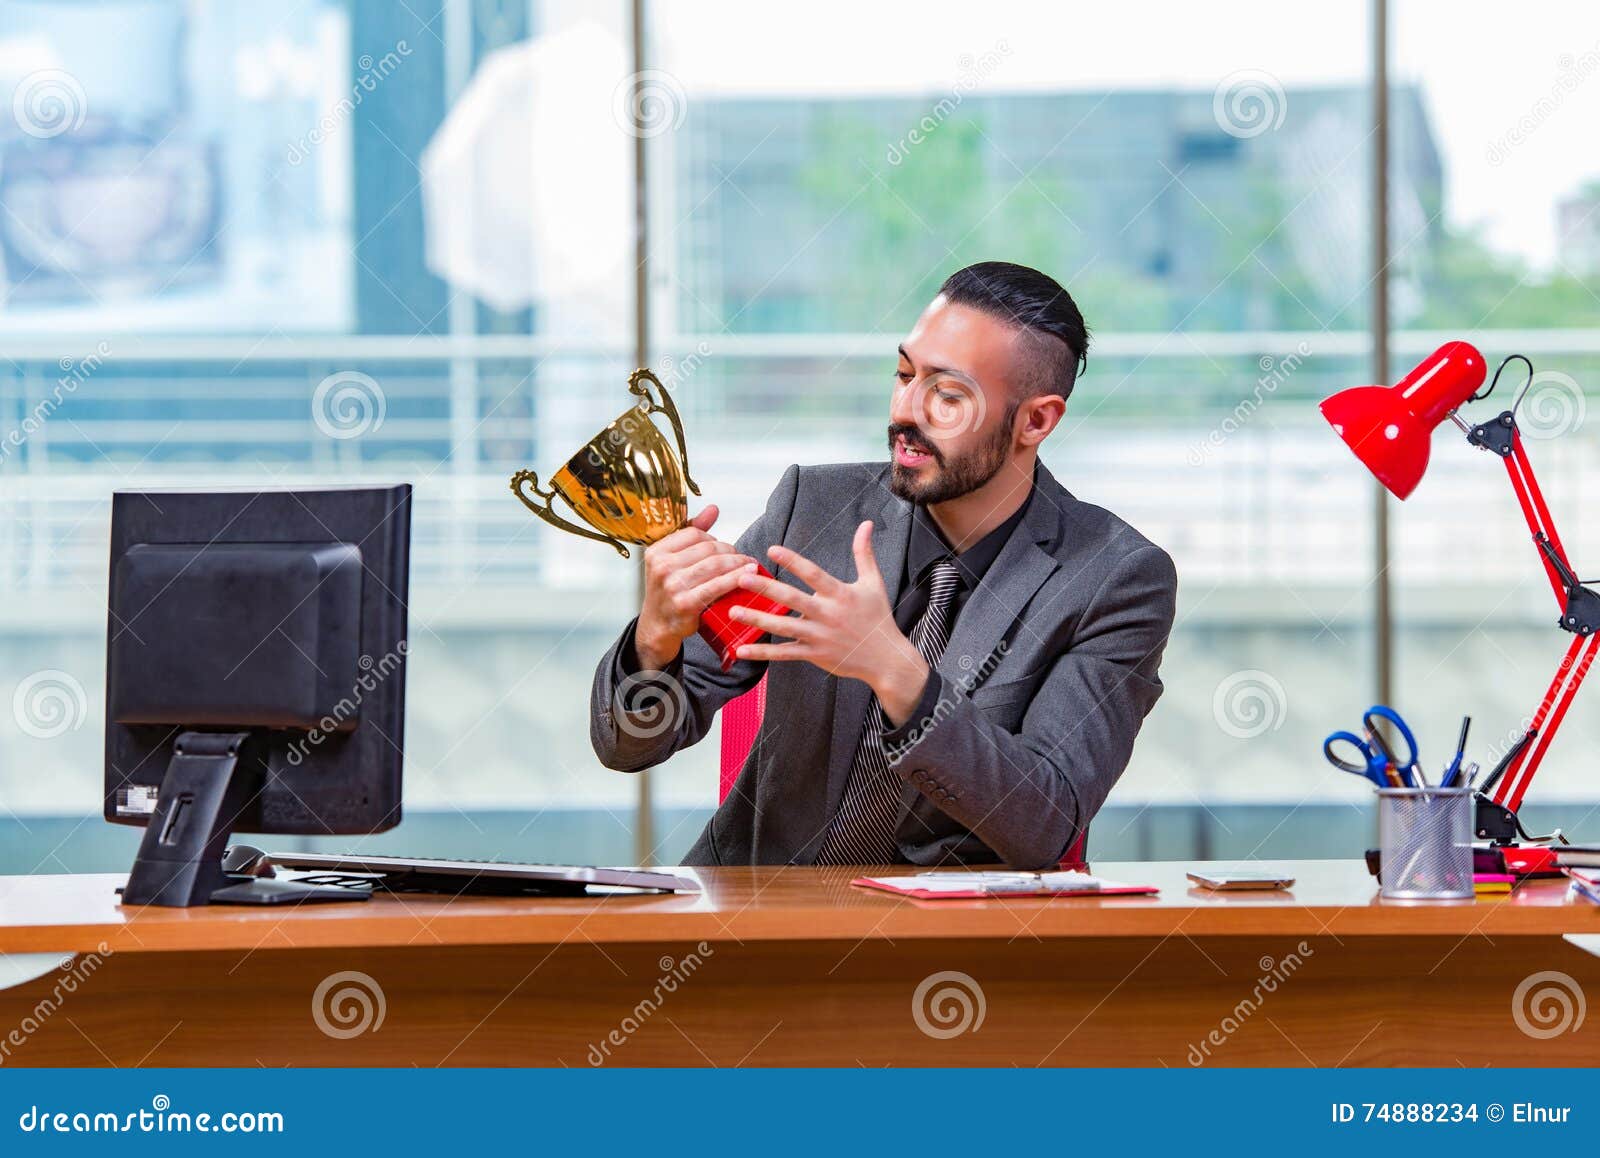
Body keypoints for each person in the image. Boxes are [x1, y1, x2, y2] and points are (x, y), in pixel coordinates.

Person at [590, 261, 1177, 868]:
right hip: (752, 918)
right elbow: (627, 746)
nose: (906, 411)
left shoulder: (1115, 578)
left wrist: (897, 675)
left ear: (1036, 420)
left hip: (949, 946)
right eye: (903, 374)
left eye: (947, 394)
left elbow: (1042, 824)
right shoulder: (810, 512)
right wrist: (653, 643)